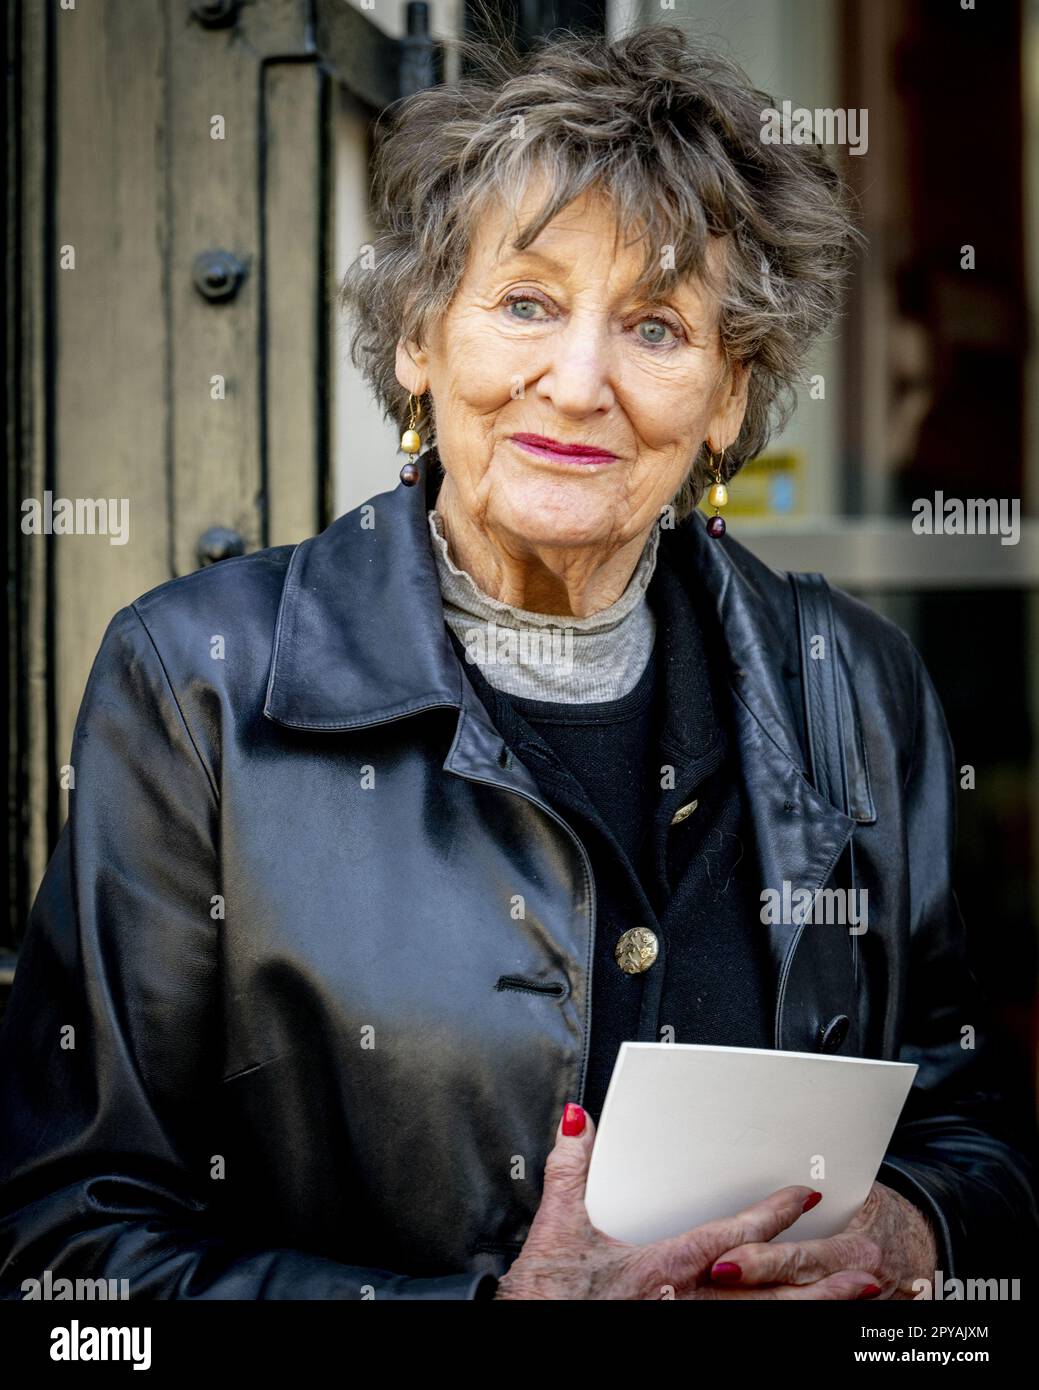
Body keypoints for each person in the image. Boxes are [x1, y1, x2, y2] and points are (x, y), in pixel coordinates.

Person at [1, 24, 1035, 1302]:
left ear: (726, 399)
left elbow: (972, 1124)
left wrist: (914, 1227)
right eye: (527, 304)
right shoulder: (196, 683)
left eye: (658, 325)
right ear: (418, 345)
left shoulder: (855, 682)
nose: (580, 380)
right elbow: (68, 1266)